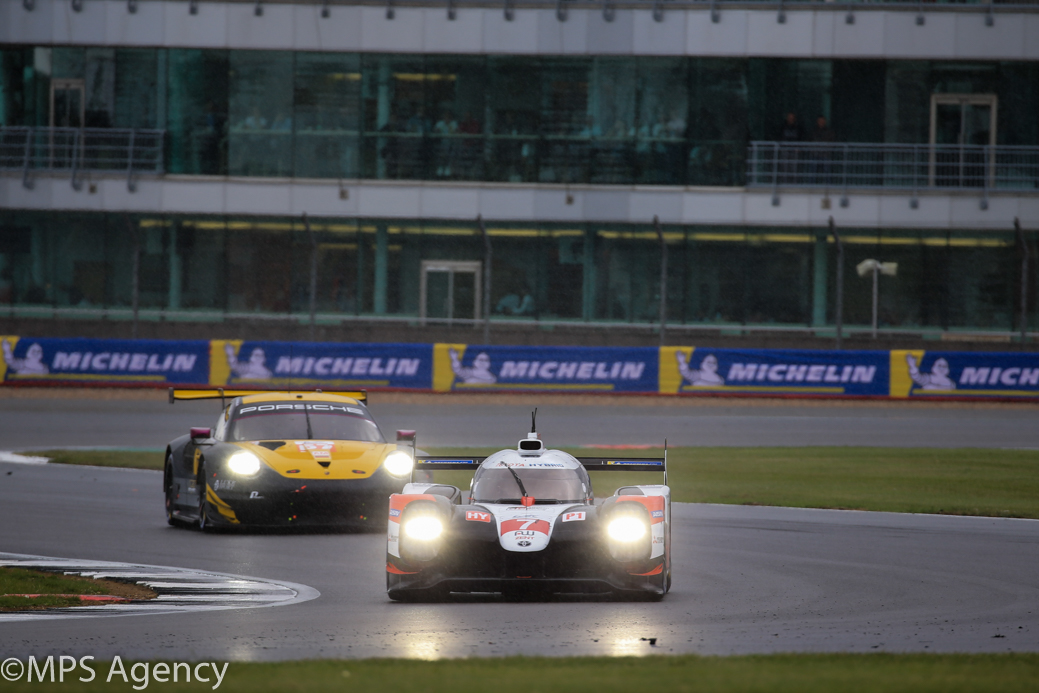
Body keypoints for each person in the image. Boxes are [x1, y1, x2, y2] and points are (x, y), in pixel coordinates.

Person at [809, 115, 837, 184]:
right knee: (813, 170)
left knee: (827, 170)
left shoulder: (829, 131)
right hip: (815, 153)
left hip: (825, 154)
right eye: (820, 121)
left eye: (822, 121)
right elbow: (809, 140)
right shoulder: (813, 131)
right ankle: (812, 185)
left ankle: (828, 185)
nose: (821, 122)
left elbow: (832, 141)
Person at [779, 112, 801, 184]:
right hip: (785, 148)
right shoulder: (783, 126)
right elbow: (780, 136)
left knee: (793, 168)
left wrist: (798, 147)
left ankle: (793, 183)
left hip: (794, 149)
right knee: (784, 167)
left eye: (792, 118)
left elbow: (800, 137)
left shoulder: (797, 127)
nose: (791, 119)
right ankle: (784, 182)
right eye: (789, 117)